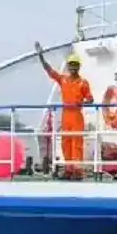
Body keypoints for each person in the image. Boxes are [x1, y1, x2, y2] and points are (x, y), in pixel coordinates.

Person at [34, 43, 93, 179]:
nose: (72, 67)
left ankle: (77, 171)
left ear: (78, 67)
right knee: (65, 142)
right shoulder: (63, 80)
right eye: (71, 65)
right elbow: (50, 71)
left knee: (76, 143)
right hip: (66, 115)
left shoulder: (83, 83)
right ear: (68, 66)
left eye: (75, 65)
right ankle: (68, 170)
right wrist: (41, 57)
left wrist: (82, 102)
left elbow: (90, 99)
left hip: (77, 115)